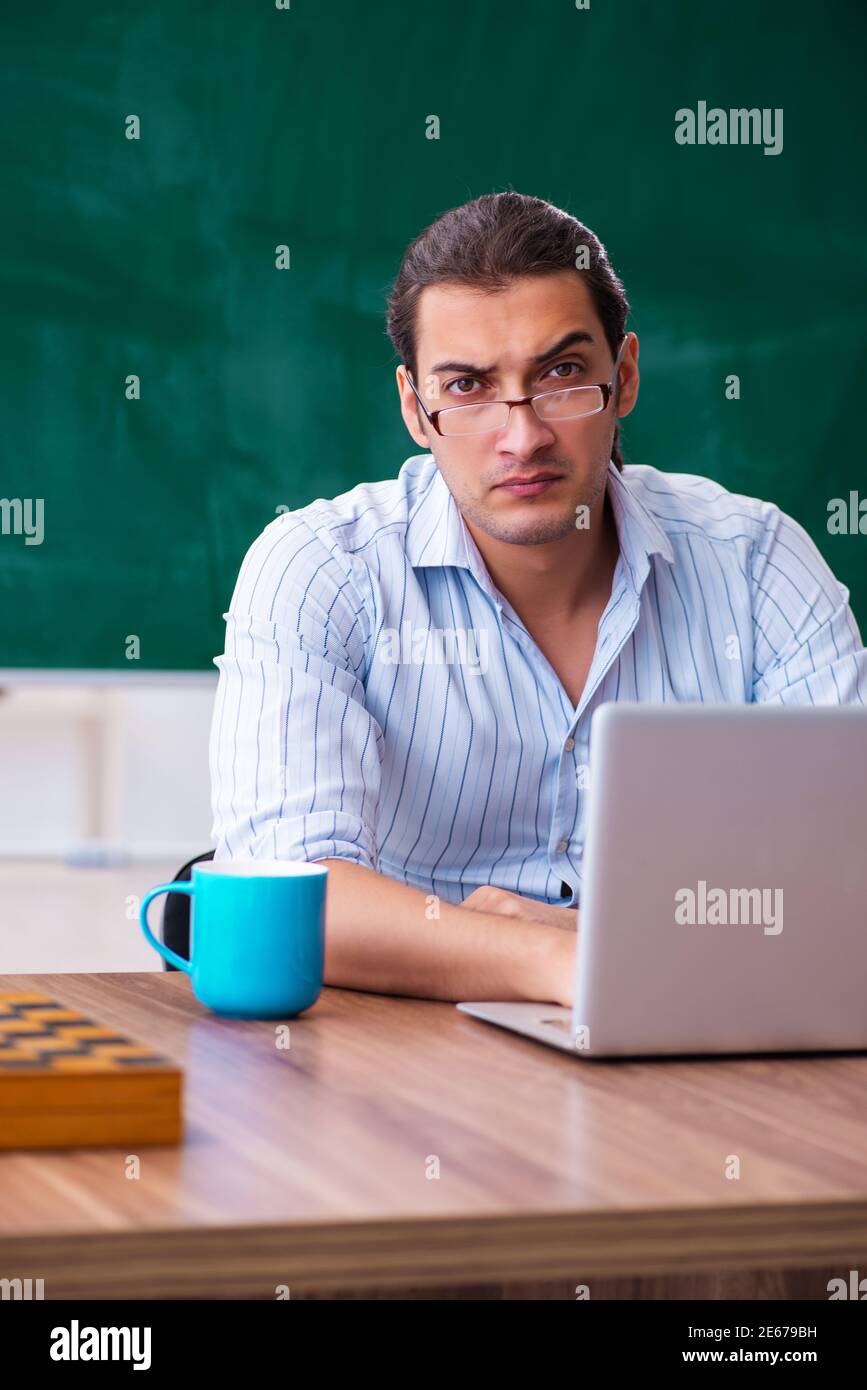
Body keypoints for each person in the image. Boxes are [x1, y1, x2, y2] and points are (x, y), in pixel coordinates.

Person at [209, 191, 865, 1007]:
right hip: (399, 1054)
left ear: (621, 377)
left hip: (696, 1042)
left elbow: (846, 876)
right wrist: (567, 963)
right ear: (416, 408)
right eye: (469, 387)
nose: (522, 437)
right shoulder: (319, 569)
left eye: (560, 375)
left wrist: (607, 953)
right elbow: (291, 892)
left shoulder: (757, 562)